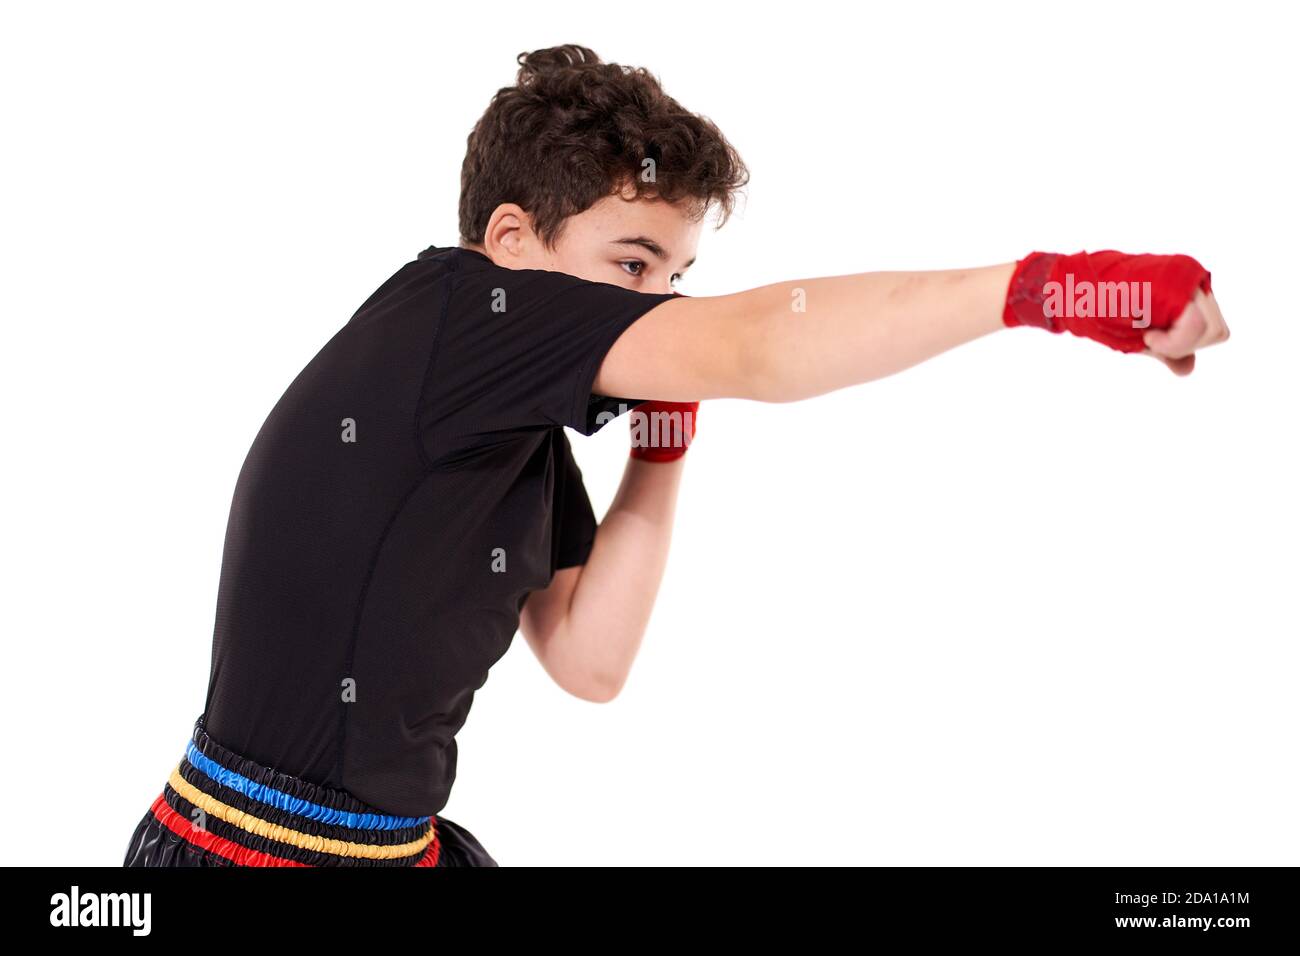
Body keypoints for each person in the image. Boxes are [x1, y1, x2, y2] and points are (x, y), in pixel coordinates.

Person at [123, 43, 1229, 867]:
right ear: (511, 240)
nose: (659, 301)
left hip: (389, 845)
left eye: (675, 276)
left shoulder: (508, 436)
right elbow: (762, 339)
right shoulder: (462, 310)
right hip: (250, 851)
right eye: (632, 262)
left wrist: (664, 439)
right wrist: (1052, 290)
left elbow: (588, 658)